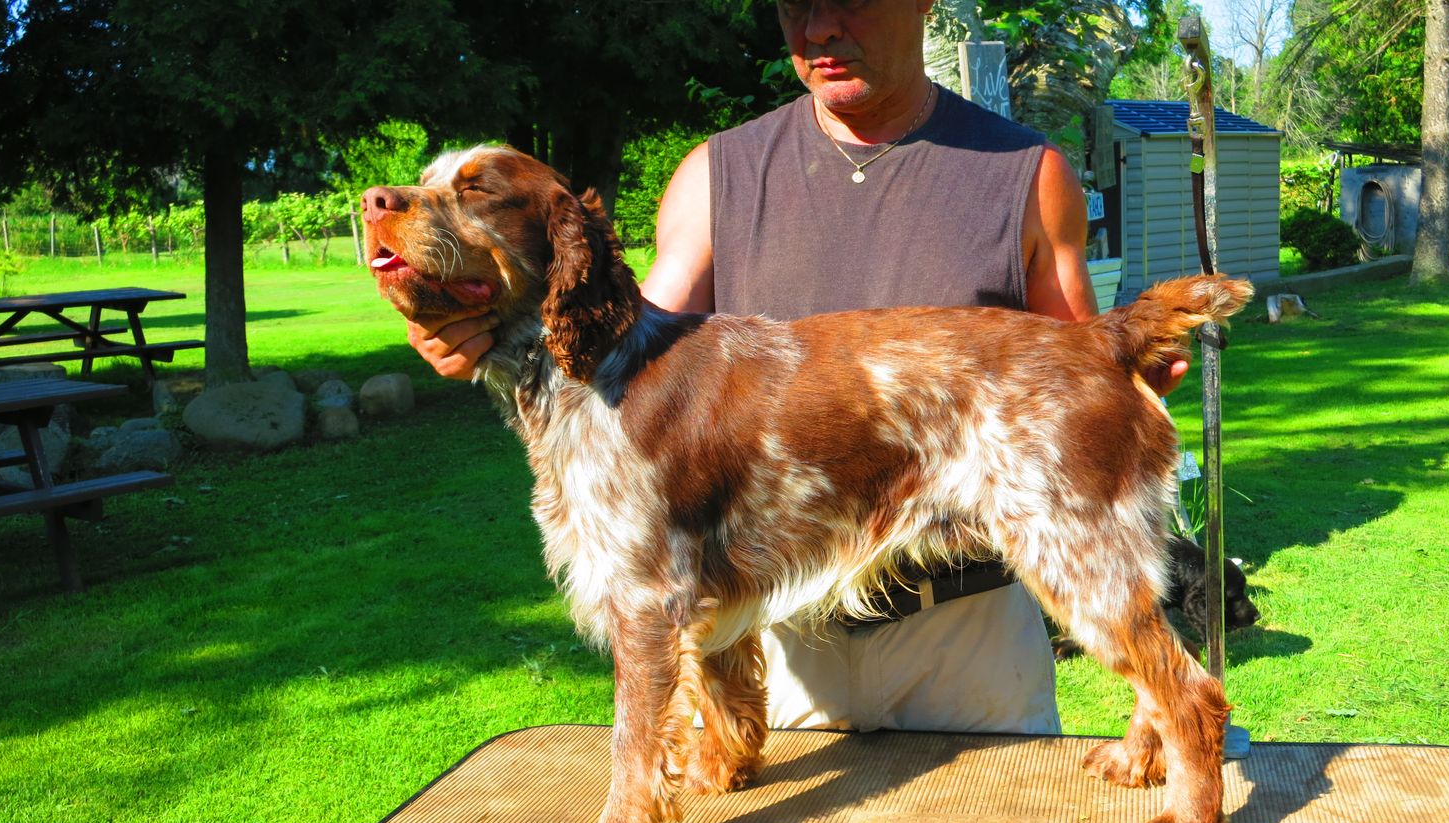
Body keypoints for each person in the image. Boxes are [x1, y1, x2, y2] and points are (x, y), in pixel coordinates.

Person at [407, 0, 1188, 735]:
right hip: (782, 640)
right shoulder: (715, 174)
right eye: (792, 5)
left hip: (970, 643)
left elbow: (1070, 366)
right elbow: (625, 358)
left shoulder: (1027, 171)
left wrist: (1130, 384)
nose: (819, 27)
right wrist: (483, 326)